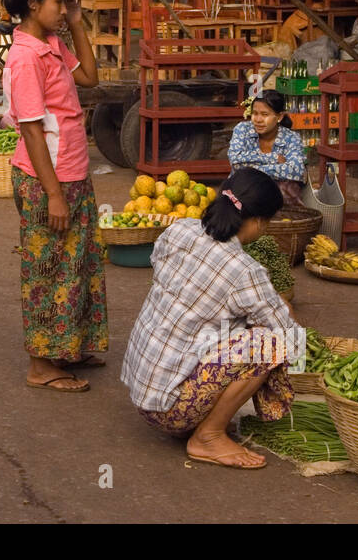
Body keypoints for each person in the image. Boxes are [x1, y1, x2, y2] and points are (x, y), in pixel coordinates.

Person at [121, 168, 302, 469]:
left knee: (226, 327)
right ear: (258, 222)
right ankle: (208, 435)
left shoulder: (181, 229)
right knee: (269, 345)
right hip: (171, 411)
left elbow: (161, 268)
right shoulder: (245, 271)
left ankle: (204, 419)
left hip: (143, 391)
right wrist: (276, 301)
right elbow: (290, 336)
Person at [0, 0, 106, 393]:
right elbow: (31, 130)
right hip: (48, 180)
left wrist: (77, 21)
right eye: (59, 3)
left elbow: (91, 78)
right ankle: (41, 365)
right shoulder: (25, 57)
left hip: (73, 171)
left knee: (78, 264)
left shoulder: (51, 45)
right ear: (31, 4)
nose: (63, 9)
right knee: (47, 269)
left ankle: (68, 347)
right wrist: (55, 195)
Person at [228, 91, 307, 205]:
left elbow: (297, 170)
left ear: (279, 117)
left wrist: (249, 171)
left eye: (265, 114)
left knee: (287, 187)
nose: (258, 120)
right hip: (243, 193)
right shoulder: (242, 129)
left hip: (278, 198)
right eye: (255, 113)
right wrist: (273, 158)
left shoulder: (291, 138)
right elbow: (235, 161)